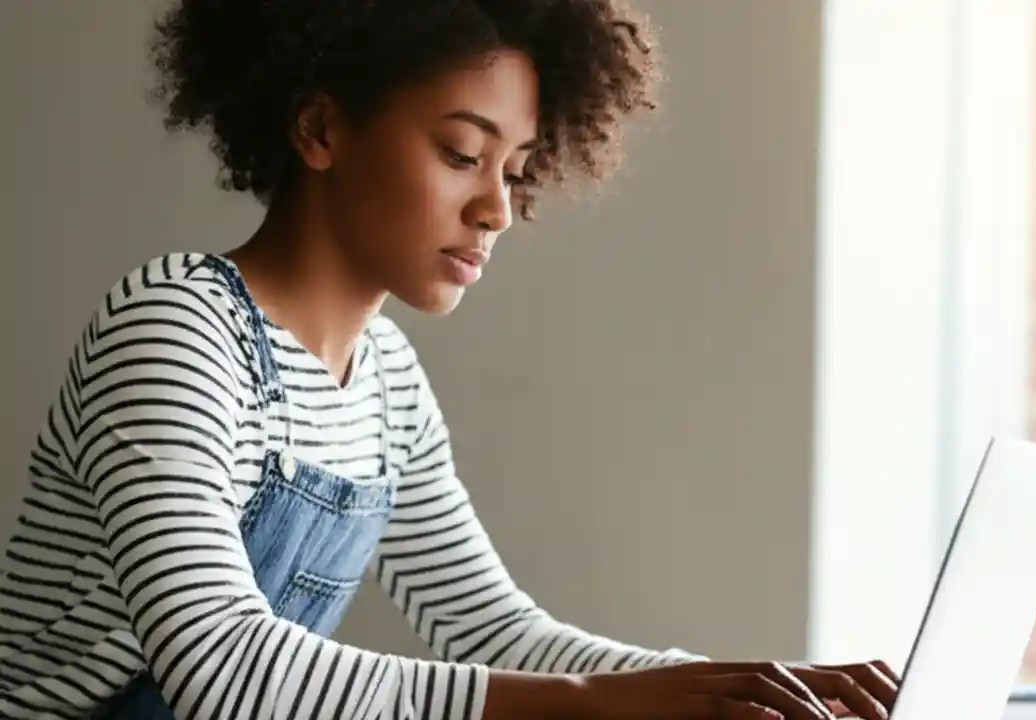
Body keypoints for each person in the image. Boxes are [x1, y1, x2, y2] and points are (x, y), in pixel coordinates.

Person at [0, 1, 900, 718]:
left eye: (514, 170)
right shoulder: (178, 328)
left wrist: (739, 689)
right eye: (462, 153)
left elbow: (491, 630)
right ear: (320, 129)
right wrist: (597, 705)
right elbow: (228, 671)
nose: (497, 211)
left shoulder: (384, 381)